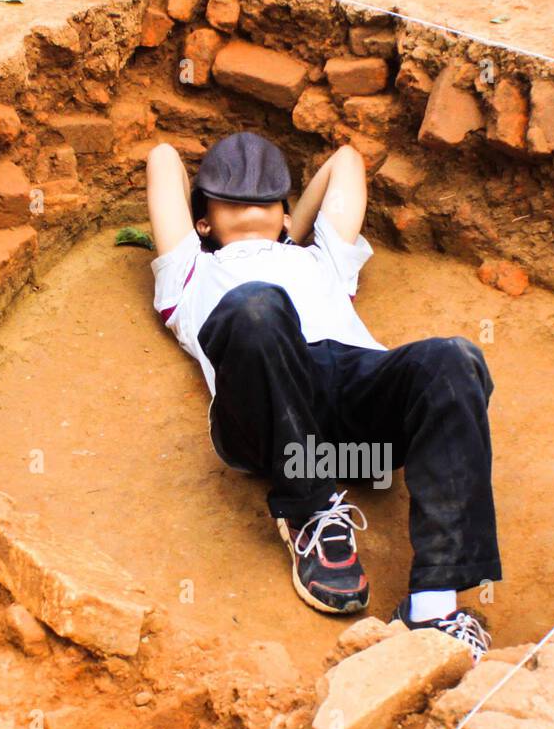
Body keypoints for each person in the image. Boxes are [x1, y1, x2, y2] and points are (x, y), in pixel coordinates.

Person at [144, 130, 500, 660]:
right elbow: (163, 159)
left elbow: (347, 162)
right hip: (268, 427)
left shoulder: (323, 260)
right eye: (229, 199)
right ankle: (309, 511)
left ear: (286, 215)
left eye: (265, 198)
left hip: (361, 431)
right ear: (202, 222)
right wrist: (274, 215)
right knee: (257, 306)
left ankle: (434, 605)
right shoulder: (190, 271)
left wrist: (295, 227)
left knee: (454, 356)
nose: (249, 205)